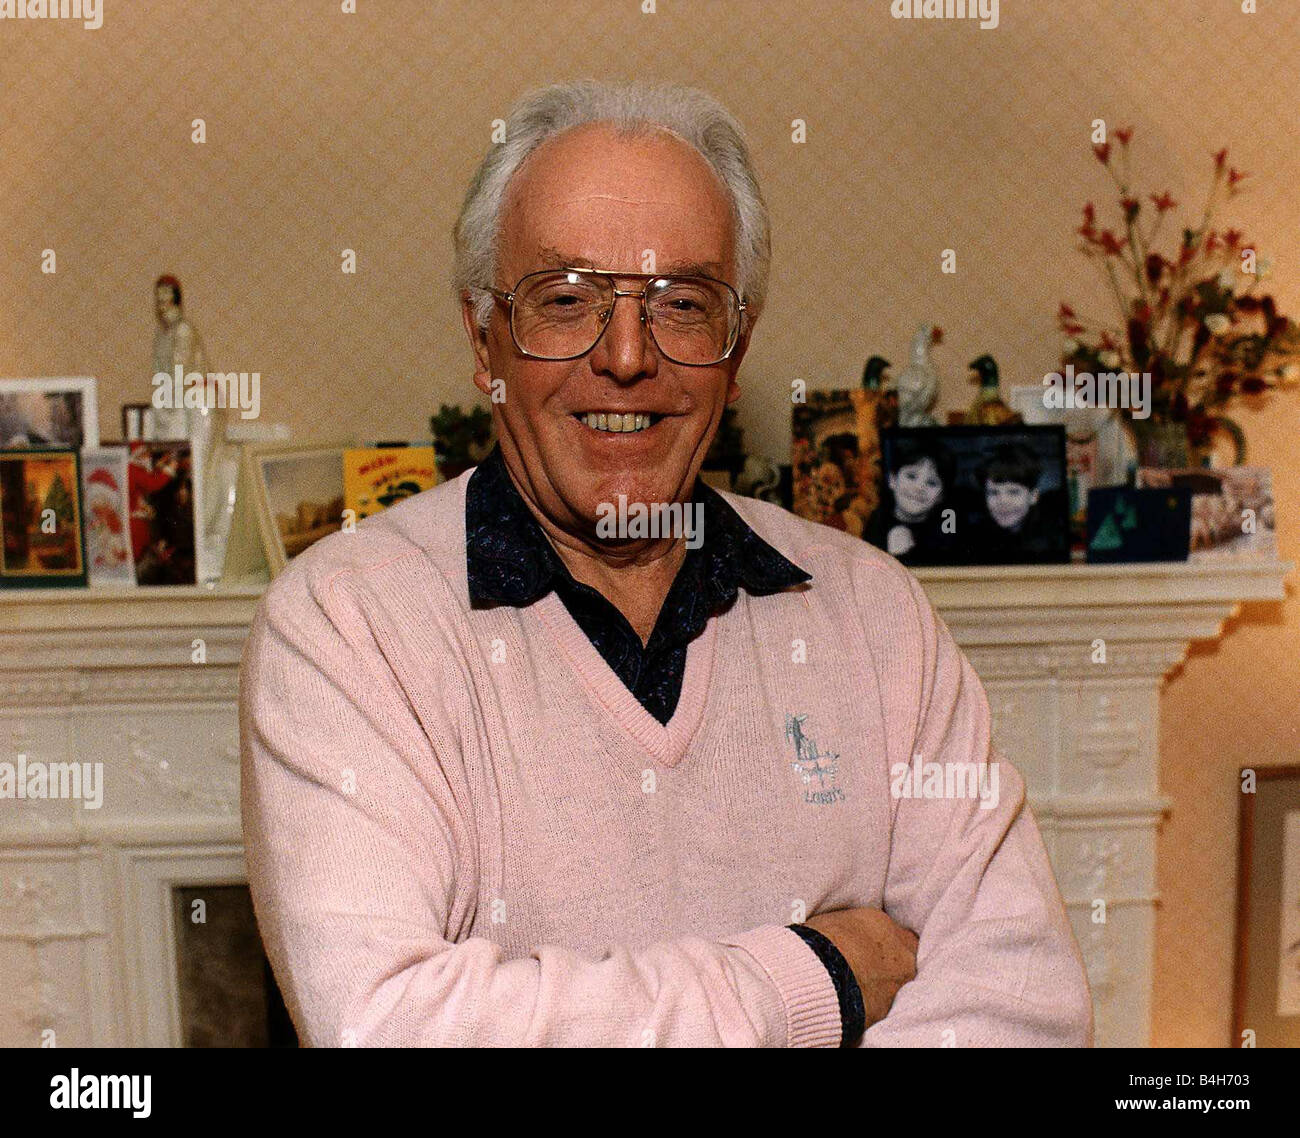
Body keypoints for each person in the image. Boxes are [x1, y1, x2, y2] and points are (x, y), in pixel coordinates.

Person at [240, 80, 1092, 1048]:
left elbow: (1025, 1002)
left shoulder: (873, 614)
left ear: (736, 350)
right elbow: (388, 1026)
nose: (629, 356)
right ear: (484, 341)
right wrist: (816, 978)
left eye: (682, 302)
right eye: (565, 300)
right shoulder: (347, 622)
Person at [865, 436, 957, 563]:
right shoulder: (877, 520)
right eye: (911, 476)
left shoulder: (947, 525)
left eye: (931, 483)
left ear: (941, 496)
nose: (919, 488)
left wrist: (910, 554)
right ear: (892, 480)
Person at [970, 441, 1059, 562]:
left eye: (1013, 492)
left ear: (1033, 496)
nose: (1002, 501)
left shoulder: (1050, 540)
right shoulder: (976, 538)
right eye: (993, 492)